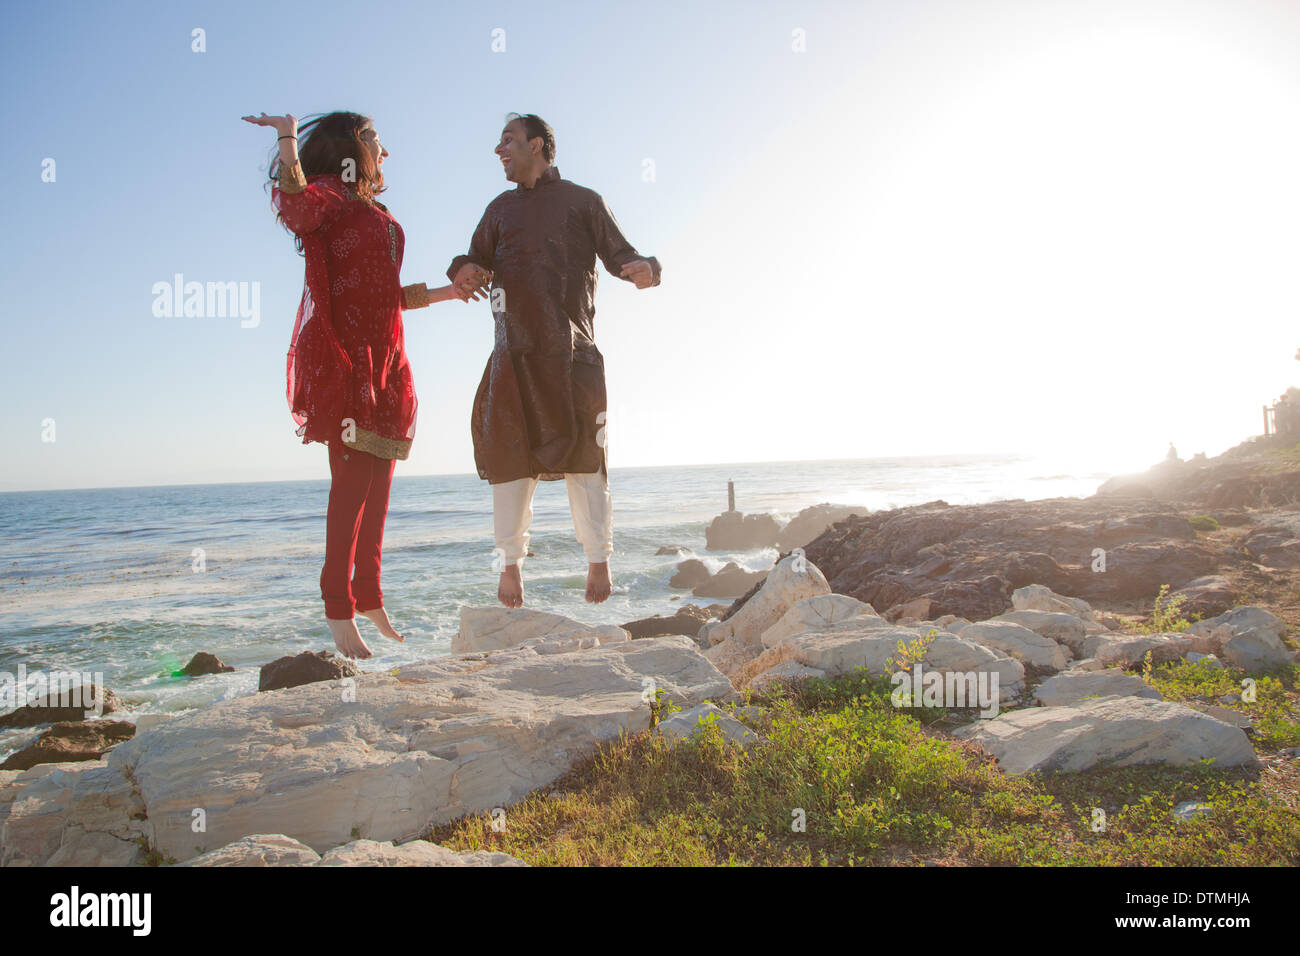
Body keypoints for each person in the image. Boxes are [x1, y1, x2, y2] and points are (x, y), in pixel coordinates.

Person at [243, 110, 470, 658]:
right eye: (375, 139)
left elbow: (387, 292)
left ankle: (368, 595)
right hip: (349, 360)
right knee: (350, 488)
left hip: (389, 360)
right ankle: (336, 608)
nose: (383, 150)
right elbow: (294, 204)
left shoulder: (377, 211)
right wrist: (287, 134)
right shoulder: (329, 196)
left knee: (380, 487)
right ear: (351, 145)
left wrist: (448, 291)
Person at [448, 113, 661, 608]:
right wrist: (467, 270)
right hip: (513, 353)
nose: (499, 150)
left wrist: (647, 269)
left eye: (508, 141)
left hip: (574, 353)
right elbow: (469, 258)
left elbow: (622, 255)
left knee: (587, 456)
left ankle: (599, 560)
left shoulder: (584, 201)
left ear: (538, 145)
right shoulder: (499, 208)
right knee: (510, 459)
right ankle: (510, 569)